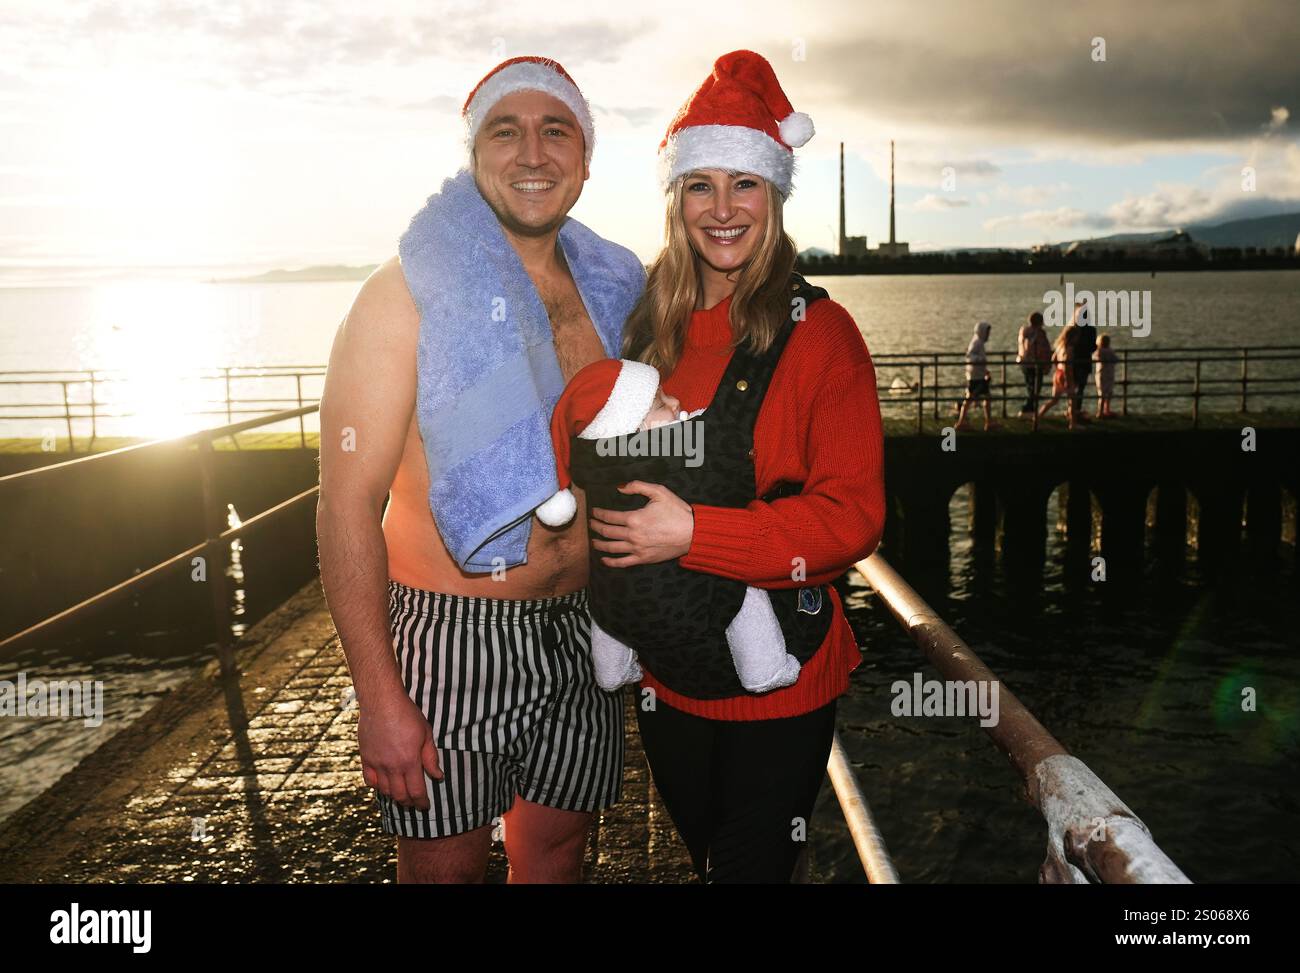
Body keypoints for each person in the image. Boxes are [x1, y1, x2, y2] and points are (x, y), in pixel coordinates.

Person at [315, 56, 645, 884]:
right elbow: (346, 502)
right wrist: (379, 697)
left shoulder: (615, 289)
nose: (532, 151)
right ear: (475, 154)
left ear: (585, 159)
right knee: (445, 868)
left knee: (558, 852)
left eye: (555, 129)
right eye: (507, 129)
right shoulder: (405, 295)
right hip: (451, 629)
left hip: (581, 627)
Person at [587, 50, 885, 883]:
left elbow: (852, 517)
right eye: (700, 185)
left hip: (780, 684)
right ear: (675, 198)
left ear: (776, 194)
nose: (722, 210)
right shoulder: (647, 326)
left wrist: (693, 531)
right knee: (706, 857)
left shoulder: (823, 335)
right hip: (669, 678)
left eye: (744, 184)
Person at [537, 357, 806, 695]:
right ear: (631, 427)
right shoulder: (679, 447)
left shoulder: (597, 468)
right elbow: (710, 436)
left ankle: (611, 671)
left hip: (616, 599)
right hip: (692, 594)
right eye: (661, 403)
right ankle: (764, 669)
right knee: (744, 588)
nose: (676, 402)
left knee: (606, 601)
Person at [955, 321, 999, 431]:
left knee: (983, 397)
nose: (988, 335)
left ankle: (987, 421)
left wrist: (985, 371)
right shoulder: (977, 343)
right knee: (971, 398)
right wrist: (981, 361)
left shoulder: (978, 342)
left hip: (977, 374)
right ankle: (962, 422)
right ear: (982, 332)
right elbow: (970, 356)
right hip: (976, 376)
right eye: (987, 332)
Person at [1038, 321, 1079, 430]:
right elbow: (1067, 363)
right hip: (1067, 374)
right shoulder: (1069, 349)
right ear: (1073, 337)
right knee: (1072, 400)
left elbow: (1054, 359)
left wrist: (1057, 369)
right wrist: (1067, 378)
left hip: (1058, 374)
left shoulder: (1060, 346)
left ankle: (1038, 416)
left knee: (1054, 400)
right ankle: (1072, 423)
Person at [1016, 311, 1051, 415]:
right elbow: (1043, 348)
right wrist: (1047, 363)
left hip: (1024, 362)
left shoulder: (1024, 331)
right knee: (1036, 387)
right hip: (1035, 364)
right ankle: (1027, 409)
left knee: (1030, 386)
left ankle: (1029, 409)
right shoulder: (1039, 333)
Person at [1069, 300, 1096, 423]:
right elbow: (1092, 347)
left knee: (1072, 387)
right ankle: (1077, 410)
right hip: (1085, 361)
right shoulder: (1091, 330)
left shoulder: (1073, 328)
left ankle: (1071, 410)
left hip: (1072, 360)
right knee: (1081, 387)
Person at [1094, 333, 1118, 418]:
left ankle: (1100, 412)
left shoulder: (1099, 351)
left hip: (1100, 374)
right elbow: (1116, 360)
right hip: (1110, 374)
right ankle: (1107, 409)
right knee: (1109, 393)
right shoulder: (1110, 351)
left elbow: (1094, 357)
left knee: (1101, 393)